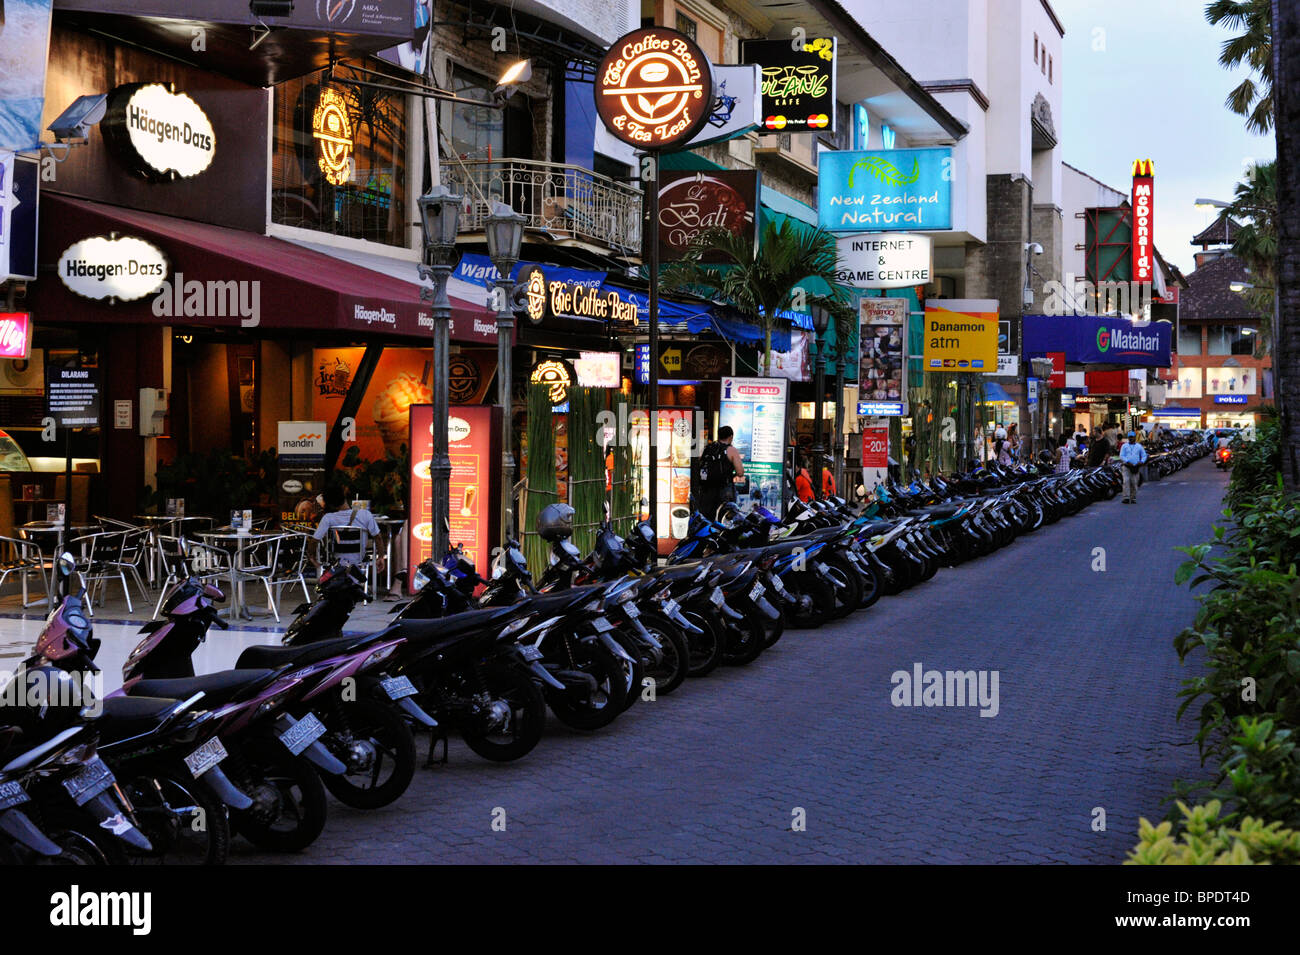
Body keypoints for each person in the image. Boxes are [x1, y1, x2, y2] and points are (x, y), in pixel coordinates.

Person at [313, 485, 383, 574]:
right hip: (360, 560)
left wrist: (311, 557)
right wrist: (380, 557)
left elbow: (315, 541)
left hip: (337, 561)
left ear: (330, 504)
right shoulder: (365, 515)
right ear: (344, 496)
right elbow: (378, 538)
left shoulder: (328, 518)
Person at [697, 425, 745, 520]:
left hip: (706, 489)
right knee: (725, 516)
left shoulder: (707, 448)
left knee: (707, 515)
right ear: (731, 437)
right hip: (724, 489)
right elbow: (740, 472)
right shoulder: (731, 450)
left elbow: (699, 464)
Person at [1119, 430, 1148, 504]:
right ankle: (1126, 497)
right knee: (1126, 481)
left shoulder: (1139, 446)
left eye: (1132, 437)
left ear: (1135, 437)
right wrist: (1127, 462)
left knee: (1134, 483)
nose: (1131, 438)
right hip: (1126, 466)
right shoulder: (1124, 446)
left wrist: (1141, 462)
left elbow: (1144, 455)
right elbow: (1122, 455)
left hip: (1135, 467)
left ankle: (1133, 497)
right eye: (1129, 437)